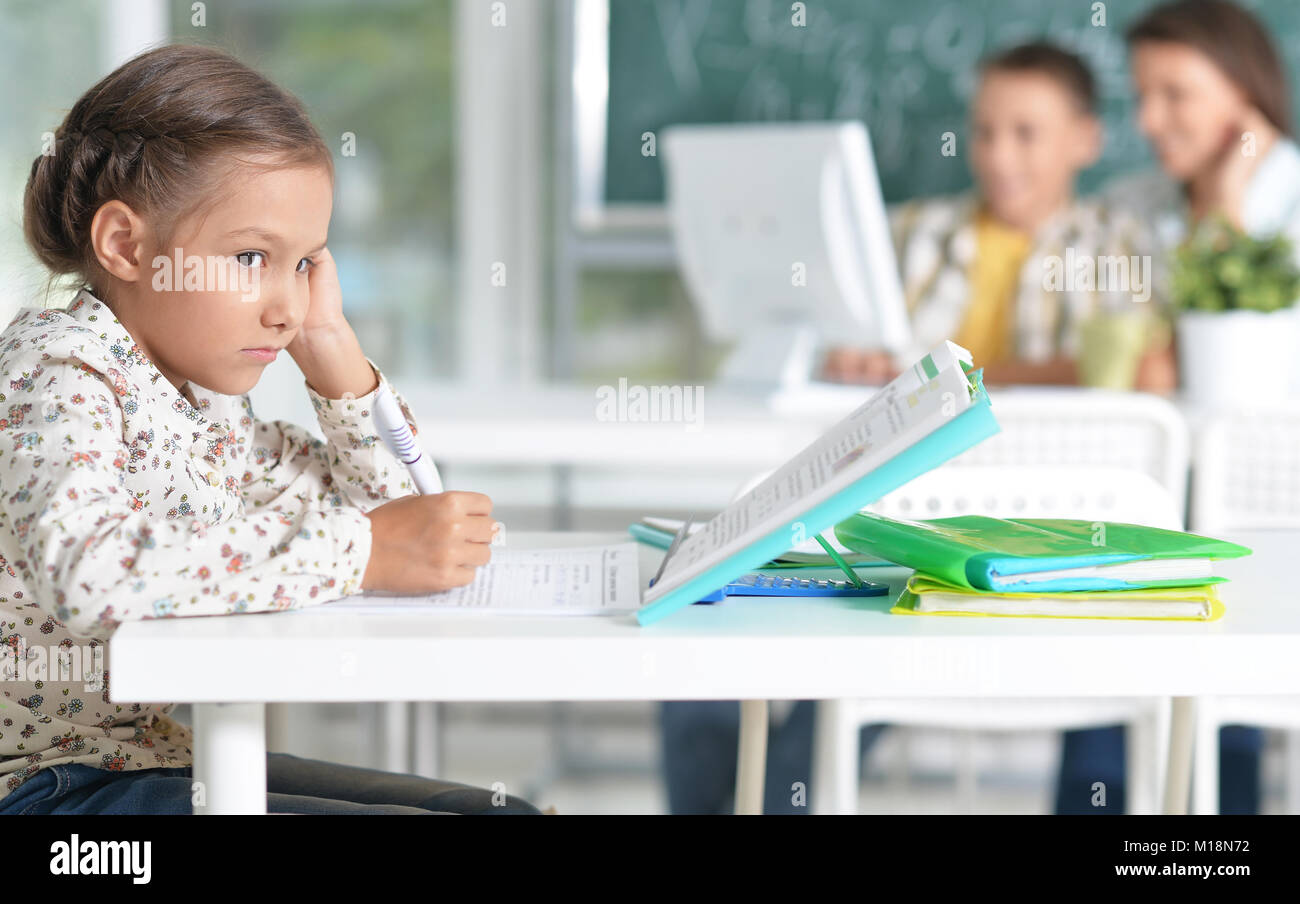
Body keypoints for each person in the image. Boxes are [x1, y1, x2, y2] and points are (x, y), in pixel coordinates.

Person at [0, 44, 538, 815]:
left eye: (305, 263)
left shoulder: (202, 405)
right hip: (41, 793)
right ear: (125, 245)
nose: (286, 304)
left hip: (142, 760)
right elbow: (87, 570)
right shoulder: (57, 369)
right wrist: (369, 551)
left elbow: (386, 510)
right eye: (252, 256)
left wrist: (333, 356)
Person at [1057, 0, 1300, 816]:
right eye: (1141, 96)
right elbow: (1121, 359)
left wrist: (1228, 207)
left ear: (1242, 92)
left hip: (1264, 518)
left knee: (1216, 700)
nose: (1151, 120)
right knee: (1104, 690)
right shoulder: (1133, 202)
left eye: (1176, 94)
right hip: (1137, 502)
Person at [821, 41, 1172, 391]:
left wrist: (949, 382)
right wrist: (850, 362)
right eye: (983, 132)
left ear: (1085, 140)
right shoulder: (903, 231)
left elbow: (1141, 374)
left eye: (1026, 134)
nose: (998, 158)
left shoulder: (1119, 246)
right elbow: (829, 349)